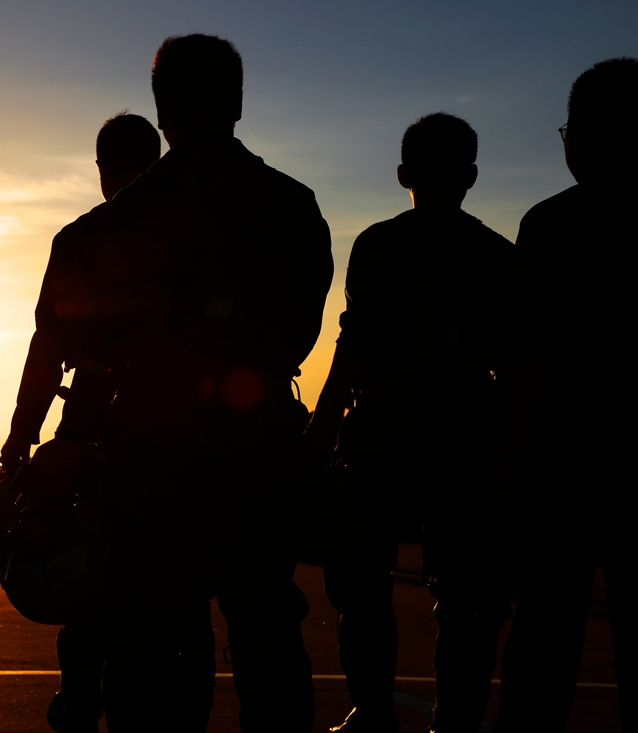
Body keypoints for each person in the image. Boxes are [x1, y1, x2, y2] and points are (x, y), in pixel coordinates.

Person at [34, 34, 333, 732]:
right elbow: (299, 332)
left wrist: (58, 444)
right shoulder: (293, 207)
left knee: (152, 640)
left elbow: (82, 352)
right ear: (236, 103)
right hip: (257, 450)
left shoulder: (110, 227)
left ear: (161, 110)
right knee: (266, 630)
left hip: (144, 458)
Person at [306, 113, 514, 733]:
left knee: (362, 583)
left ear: (402, 175)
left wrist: (321, 429)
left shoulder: (378, 245)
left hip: (387, 426)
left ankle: (373, 711)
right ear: (472, 176)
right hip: (466, 430)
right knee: (465, 597)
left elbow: (355, 343)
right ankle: (452, 721)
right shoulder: (498, 257)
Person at [1, 111, 162, 733]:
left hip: (94, 440)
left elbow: (46, 349)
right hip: (185, 441)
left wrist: (23, 437)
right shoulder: (195, 236)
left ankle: (79, 704)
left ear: (101, 170)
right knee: (170, 600)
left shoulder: (80, 241)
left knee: (88, 589)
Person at [493, 57, 637, 733]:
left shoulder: (554, 225)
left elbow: (532, 363)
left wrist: (509, 478)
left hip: (565, 472)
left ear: (579, 136)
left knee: (543, 653)